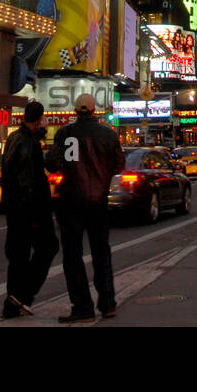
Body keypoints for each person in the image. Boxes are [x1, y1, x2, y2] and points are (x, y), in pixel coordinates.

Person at [46, 93, 125, 323]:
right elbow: (119, 165)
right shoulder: (108, 135)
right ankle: (108, 303)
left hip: (71, 200)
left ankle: (82, 307)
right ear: (94, 110)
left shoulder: (66, 133)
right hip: (99, 200)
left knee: (73, 256)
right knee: (102, 253)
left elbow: (52, 163)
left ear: (75, 111)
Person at [0, 101, 58, 319]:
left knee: (18, 256)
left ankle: (12, 303)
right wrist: (38, 210)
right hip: (30, 207)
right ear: (41, 118)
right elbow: (29, 180)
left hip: (15, 207)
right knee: (48, 247)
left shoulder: (14, 138)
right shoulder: (28, 144)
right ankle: (22, 294)